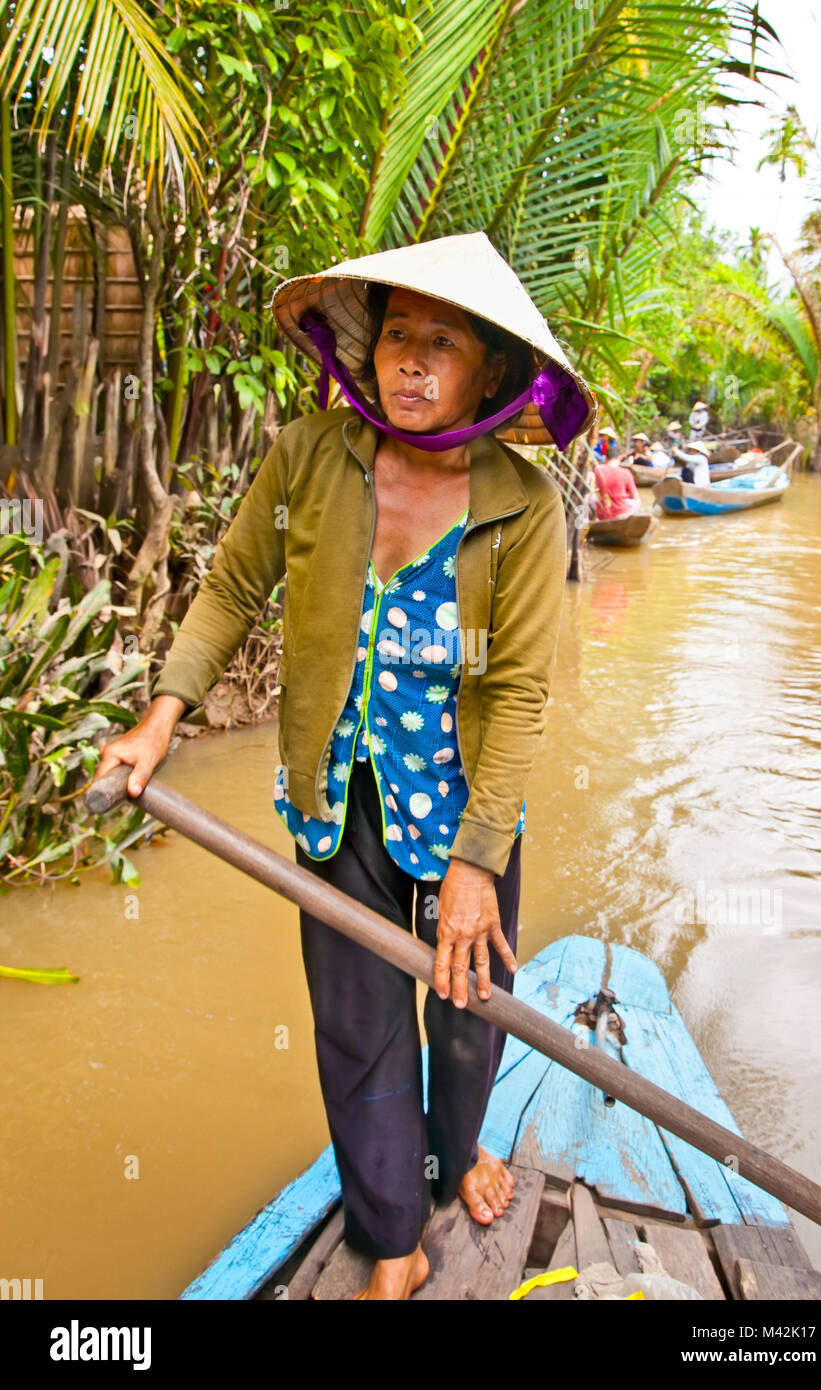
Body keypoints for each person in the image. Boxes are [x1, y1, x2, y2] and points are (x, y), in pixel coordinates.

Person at [90, 231, 596, 1302]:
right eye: (397, 335)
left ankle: (457, 1157)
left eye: (442, 344)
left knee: (465, 1020)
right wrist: (160, 720)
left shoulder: (519, 506)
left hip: (463, 818)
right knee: (357, 1031)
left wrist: (473, 862)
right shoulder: (311, 457)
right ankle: (392, 1233)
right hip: (335, 807)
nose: (412, 361)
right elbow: (231, 588)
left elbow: (515, 695)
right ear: (366, 350)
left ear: (491, 371)